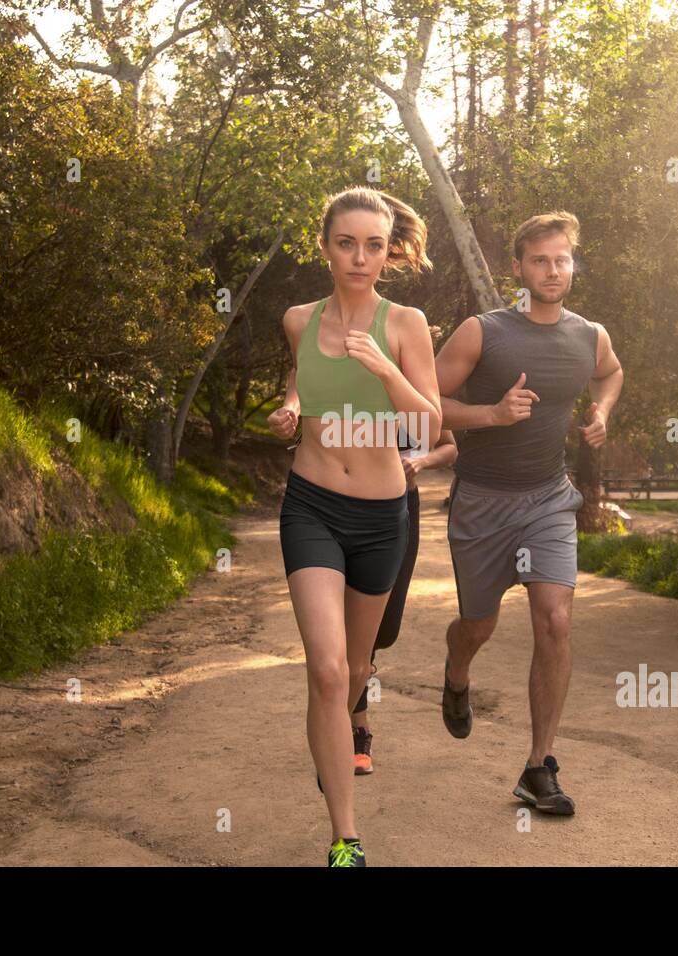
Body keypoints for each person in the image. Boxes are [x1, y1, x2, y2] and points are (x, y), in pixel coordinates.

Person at [267, 186, 441, 867]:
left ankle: (337, 745)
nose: (360, 257)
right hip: (310, 504)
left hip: (381, 516)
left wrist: (384, 368)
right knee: (329, 670)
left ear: (389, 250)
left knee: (361, 665)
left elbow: (428, 423)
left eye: (374, 244)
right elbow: (303, 377)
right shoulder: (298, 318)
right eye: (347, 243)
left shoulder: (406, 324)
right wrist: (290, 405)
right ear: (325, 247)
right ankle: (346, 840)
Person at [433, 210, 623, 815]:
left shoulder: (590, 336)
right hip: (483, 503)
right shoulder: (481, 332)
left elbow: (612, 373)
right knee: (478, 626)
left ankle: (539, 767)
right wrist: (490, 414)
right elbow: (420, 404)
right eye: (539, 260)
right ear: (518, 268)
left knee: (555, 621)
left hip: (548, 499)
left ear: (574, 265)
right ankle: (457, 674)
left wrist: (602, 412)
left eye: (562, 259)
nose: (552, 270)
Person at [350, 427, 457, 773]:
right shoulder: (351, 383)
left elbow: (449, 447)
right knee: (353, 625)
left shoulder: (412, 389)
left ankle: (349, 703)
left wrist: (422, 462)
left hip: (401, 506)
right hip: (349, 502)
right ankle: (356, 728)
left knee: (385, 629)